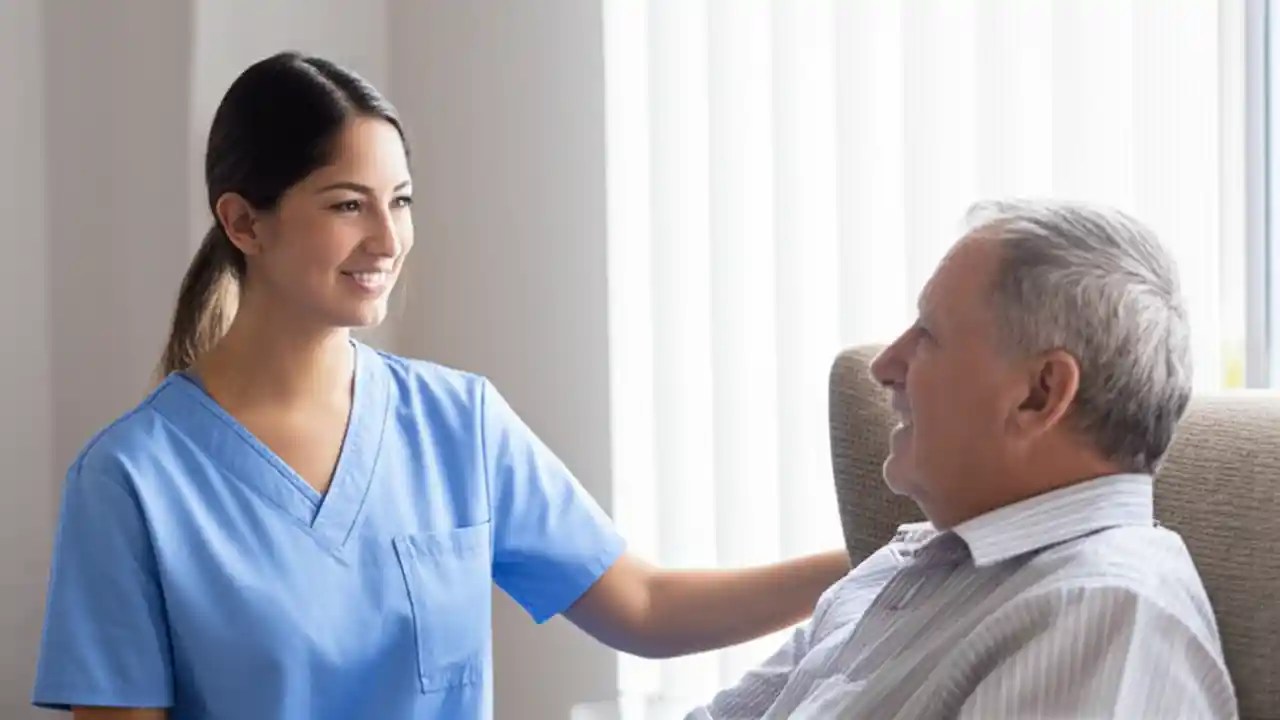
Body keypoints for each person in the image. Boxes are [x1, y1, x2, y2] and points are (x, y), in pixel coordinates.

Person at [31, 52, 850, 720]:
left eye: (401, 201)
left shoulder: (458, 423)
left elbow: (645, 606)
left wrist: (878, 555)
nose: (388, 239)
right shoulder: (130, 482)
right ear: (245, 222)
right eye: (348, 205)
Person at [688, 200, 1239, 719]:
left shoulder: (1103, 613)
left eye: (927, 336)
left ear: (1038, 395)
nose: (883, 366)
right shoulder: (907, 563)